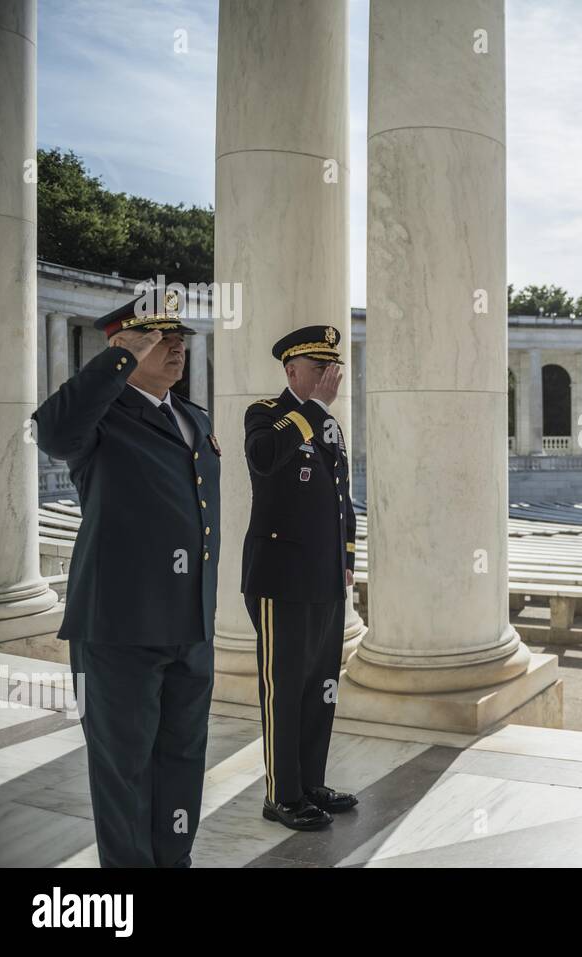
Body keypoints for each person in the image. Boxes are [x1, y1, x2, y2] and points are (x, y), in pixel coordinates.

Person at [32, 289, 219, 867]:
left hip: (189, 623)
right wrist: (116, 361)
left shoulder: (194, 418)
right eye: (159, 340)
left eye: (180, 338)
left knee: (182, 757)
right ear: (125, 347)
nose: (176, 348)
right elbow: (52, 432)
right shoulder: (100, 417)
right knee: (123, 767)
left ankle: (173, 858)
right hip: (119, 623)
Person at [242, 325, 358, 830]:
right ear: (292, 371)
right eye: (319, 369)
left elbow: (342, 500)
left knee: (320, 686)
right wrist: (313, 409)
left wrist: (347, 556)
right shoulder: (266, 414)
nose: (329, 378)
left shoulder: (327, 425)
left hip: (326, 578)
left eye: (333, 370)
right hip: (280, 578)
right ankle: (281, 795)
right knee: (283, 688)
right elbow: (265, 459)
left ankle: (310, 783)